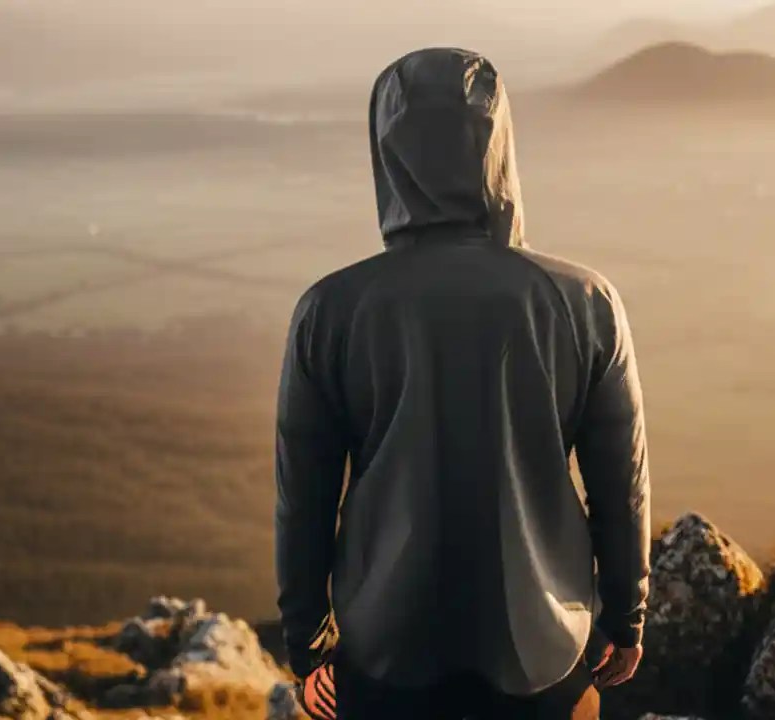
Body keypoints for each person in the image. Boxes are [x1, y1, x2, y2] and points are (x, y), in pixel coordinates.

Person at [275, 47, 651, 720]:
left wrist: (308, 645)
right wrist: (626, 617)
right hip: (546, 660)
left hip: (383, 661)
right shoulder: (588, 302)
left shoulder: (329, 311)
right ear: (501, 146)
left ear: (384, 152)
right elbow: (620, 484)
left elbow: (303, 499)